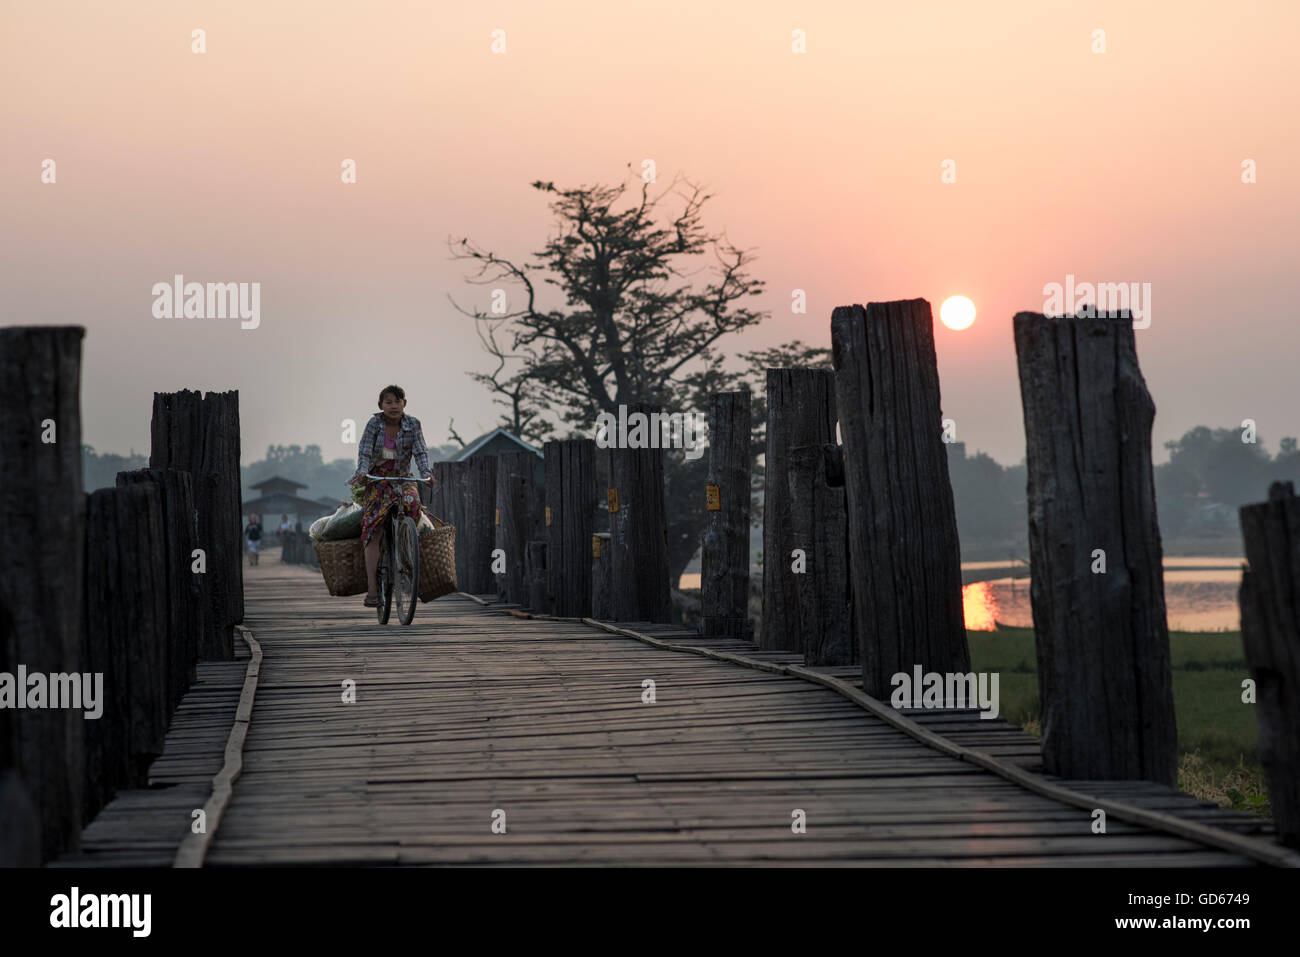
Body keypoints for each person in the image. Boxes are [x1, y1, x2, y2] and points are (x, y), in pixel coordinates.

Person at [348, 385, 433, 607]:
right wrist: (363, 472)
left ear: (404, 403)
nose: (393, 406)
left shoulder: (413, 424)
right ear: (381, 406)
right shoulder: (374, 424)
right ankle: (373, 590)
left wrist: (426, 473)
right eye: (388, 402)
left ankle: (405, 546)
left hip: (403, 478)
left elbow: (421, 451)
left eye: (397, 401)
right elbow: (365, 451)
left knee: (413, 505)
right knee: (373, 528)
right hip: (378, 480)